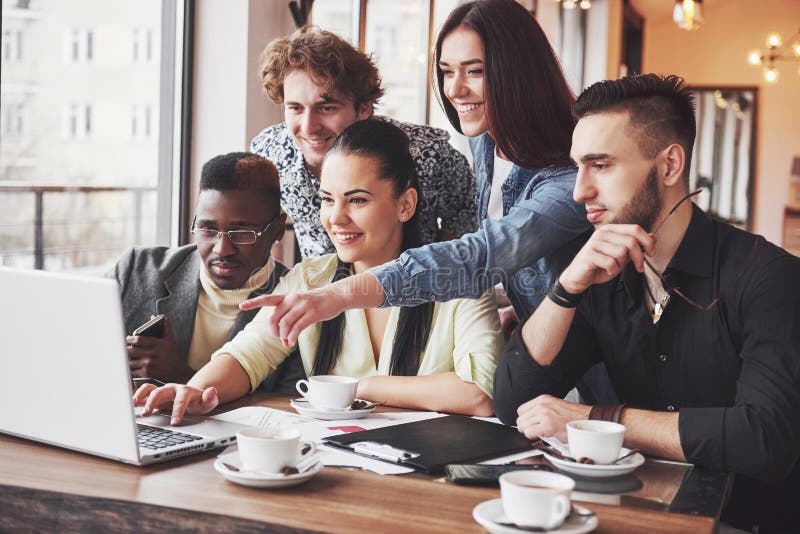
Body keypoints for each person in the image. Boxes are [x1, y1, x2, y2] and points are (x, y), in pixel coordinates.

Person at [492, 74, 800, 532]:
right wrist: (567, 287)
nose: (579, 191)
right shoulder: (600, 274)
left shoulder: (768, 276)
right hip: (636, 513)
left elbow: (764, 440)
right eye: (578, 166)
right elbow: (513, 400)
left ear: (670, 165)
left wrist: (596, 419)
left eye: (601, 166)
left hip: (748, 521)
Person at [241, 0, 597, 392]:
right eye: (446, 72)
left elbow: (480, 255)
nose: (455, 89)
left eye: (475, 71)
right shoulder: (485, 140)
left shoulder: (570, 177)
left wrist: (340, 295)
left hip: (586, 374)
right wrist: (524, 303)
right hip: (536, 345)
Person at [134, 119, 503, 423]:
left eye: (357, 200)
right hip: (331, 474)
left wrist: (359, 388)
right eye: (328, 199)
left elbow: (479, 394)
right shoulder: (311, 280)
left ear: (405, 204)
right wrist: (196, 391)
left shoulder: (461, 282)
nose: (336, 218)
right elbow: (248, 354)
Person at [250, 26, 477, 260]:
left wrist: (438, 281)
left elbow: (466, 216)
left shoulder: (427, 154)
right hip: (318, 289)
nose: (309, 127)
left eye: (327, 108)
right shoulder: (270, 152)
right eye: (295, 108)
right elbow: (264, 226)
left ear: (364, 108)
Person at [112, 152, 301, 390]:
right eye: (208, 229)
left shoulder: (297, 302)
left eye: (241, 234)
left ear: (276, 230)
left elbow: (288, 408)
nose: (222, 250)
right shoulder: (137, 270)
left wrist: (181, 376)